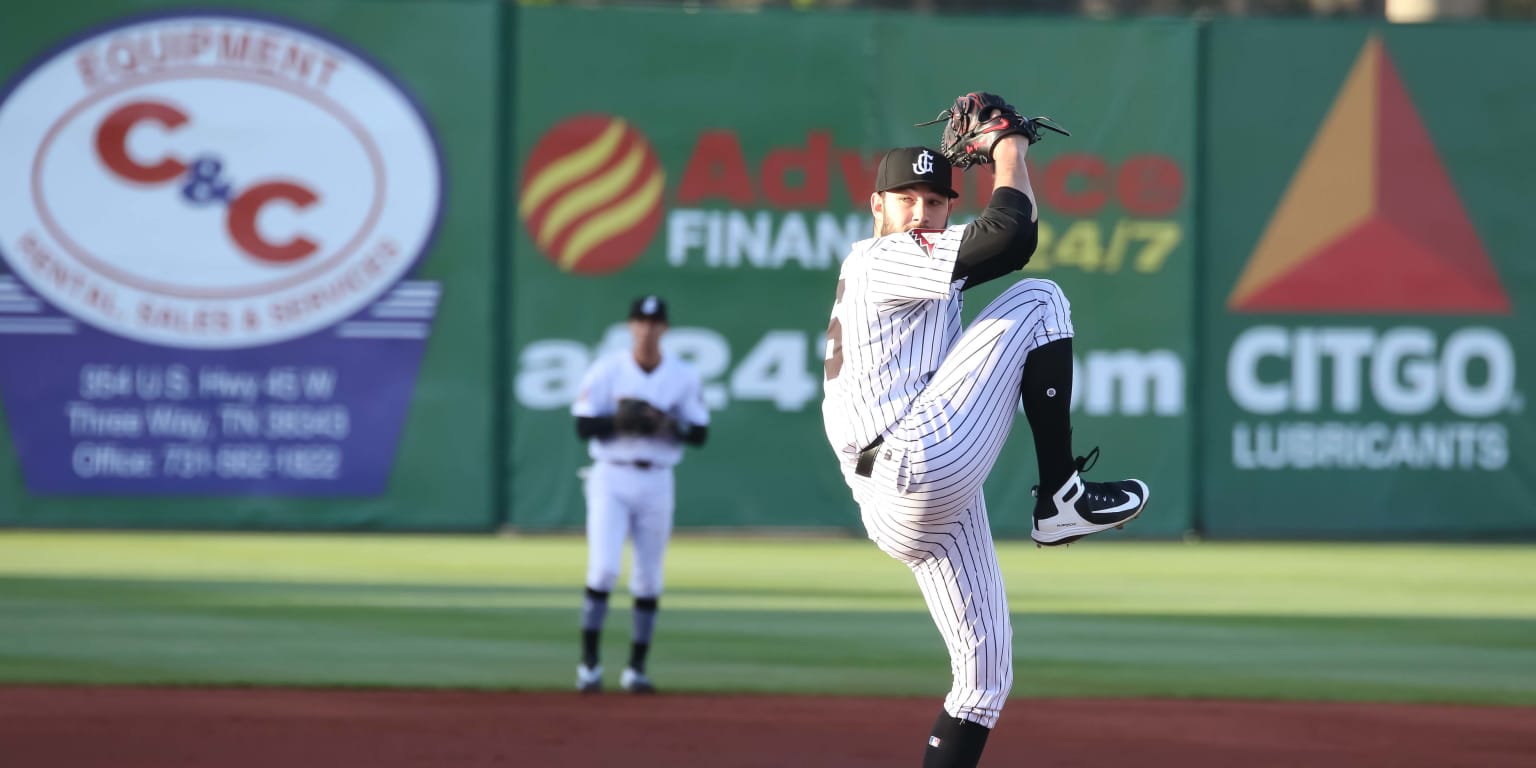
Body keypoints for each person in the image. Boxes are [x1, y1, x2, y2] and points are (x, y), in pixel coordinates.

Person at [820, 98, 1149, 766]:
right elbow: (1010, 237)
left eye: (935, 202)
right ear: (877, 206)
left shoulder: (922, 262)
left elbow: (1008, 233)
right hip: (912, 460)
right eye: (905, 199)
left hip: (915, 490)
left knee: (983, 683)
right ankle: (1060, 500)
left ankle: (1060, 505)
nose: (920, 214)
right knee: (1041, 302)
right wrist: (1008, 148)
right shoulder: (880, 261)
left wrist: (1012, 152)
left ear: (947, 209)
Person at [571, 295, 709, 694]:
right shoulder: (608, 369)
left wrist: (665, 423)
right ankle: (589, 667)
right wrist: (620, 420)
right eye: (640, 322)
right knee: (603, 570)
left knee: (648, 579)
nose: (647, 329)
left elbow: (699, 432)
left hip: (657, 477)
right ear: (631, 326)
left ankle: (635, 669)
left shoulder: (682, 374)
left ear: (664, 328)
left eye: (654, 322)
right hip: (610, 476)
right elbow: (582, 427)